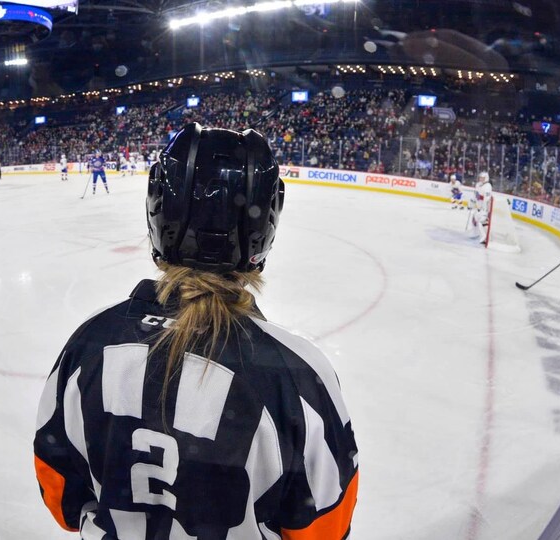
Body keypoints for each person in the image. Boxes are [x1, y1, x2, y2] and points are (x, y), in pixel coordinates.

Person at [34, 123, 359, 539]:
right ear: (264, 228)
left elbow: (60, 494)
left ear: (158, 213)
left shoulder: (89, 345)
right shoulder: (295, 376)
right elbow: (326, 527)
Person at [469, 171, 492, 243]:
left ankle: (484, 236)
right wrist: (471, 204)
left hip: (484, 209)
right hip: (478, 208)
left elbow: (487, 198)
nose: (481, 179)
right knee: (474, 220)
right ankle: (475, 233)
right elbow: (475, 195)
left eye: (482, 178)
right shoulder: (478, 185)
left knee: (481, 223)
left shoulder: (488, 186)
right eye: (480, 178)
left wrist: (485, 209)